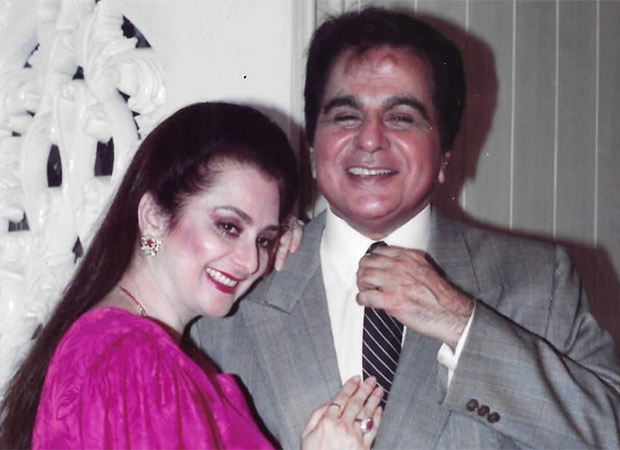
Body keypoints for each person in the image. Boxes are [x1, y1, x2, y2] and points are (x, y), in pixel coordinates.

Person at [192, 8, 620, 449]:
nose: (370, 139)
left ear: (445, 153)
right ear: (314, 151)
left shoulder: (539, 283)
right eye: (345, 116)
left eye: (401, 117)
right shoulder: (236, 286)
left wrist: (461, 322)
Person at [0, 102, 383, 449]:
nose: (250, 262)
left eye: (264, 240)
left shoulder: (127, 347)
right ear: (153, 217)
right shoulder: (135, 362)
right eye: (228, 227)